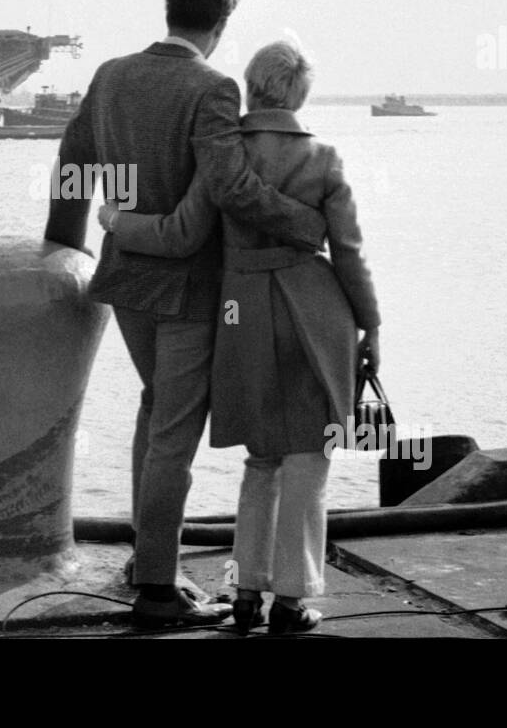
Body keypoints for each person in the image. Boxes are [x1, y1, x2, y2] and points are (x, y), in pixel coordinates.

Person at [43, 0, 328, 628]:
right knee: (175, 434)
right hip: (187, 290)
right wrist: (305, 224)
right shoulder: (213, 87)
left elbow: (75, 162)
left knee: (153, 409)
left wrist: (62, 246)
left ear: (168, 9)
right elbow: (230, 186)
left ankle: (148, 558)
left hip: (122, 281)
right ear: (221, 23)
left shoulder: (111, 74)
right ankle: (157, 592)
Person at [98, 39, 381, 635]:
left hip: (239, 309)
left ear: (251, 88)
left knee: (262, 458)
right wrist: (371, 325)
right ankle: (293, 599)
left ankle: (247, 592)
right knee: (311, 454)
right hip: (315, 307)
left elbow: (187, 231)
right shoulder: (324, 158)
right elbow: (350, 254)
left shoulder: (222, 158)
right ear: (302, 95)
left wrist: (116, 221)